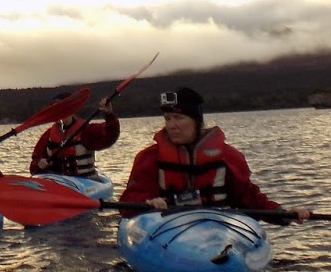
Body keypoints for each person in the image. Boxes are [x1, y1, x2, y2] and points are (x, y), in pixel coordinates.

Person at [119, 86, 311, 221]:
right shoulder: (149, 158)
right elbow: (129, 202)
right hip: (167, 225)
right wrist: (147, 203)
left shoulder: (228, 157)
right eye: (167, 118)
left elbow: (249, 199)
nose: (171, 125)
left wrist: (283, 213)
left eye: (179, 118)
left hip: (216, 226)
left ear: (196, 121)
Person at [30, 93, 120, 178]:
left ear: (71, 110)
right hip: (58, 183)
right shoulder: (48, 136)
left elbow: (110, 137)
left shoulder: (86, 130)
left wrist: (109, 115)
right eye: (56, 111)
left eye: (63, 110)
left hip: (85, 181)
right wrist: (39, 164)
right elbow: (34, 165)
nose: (60, 114)